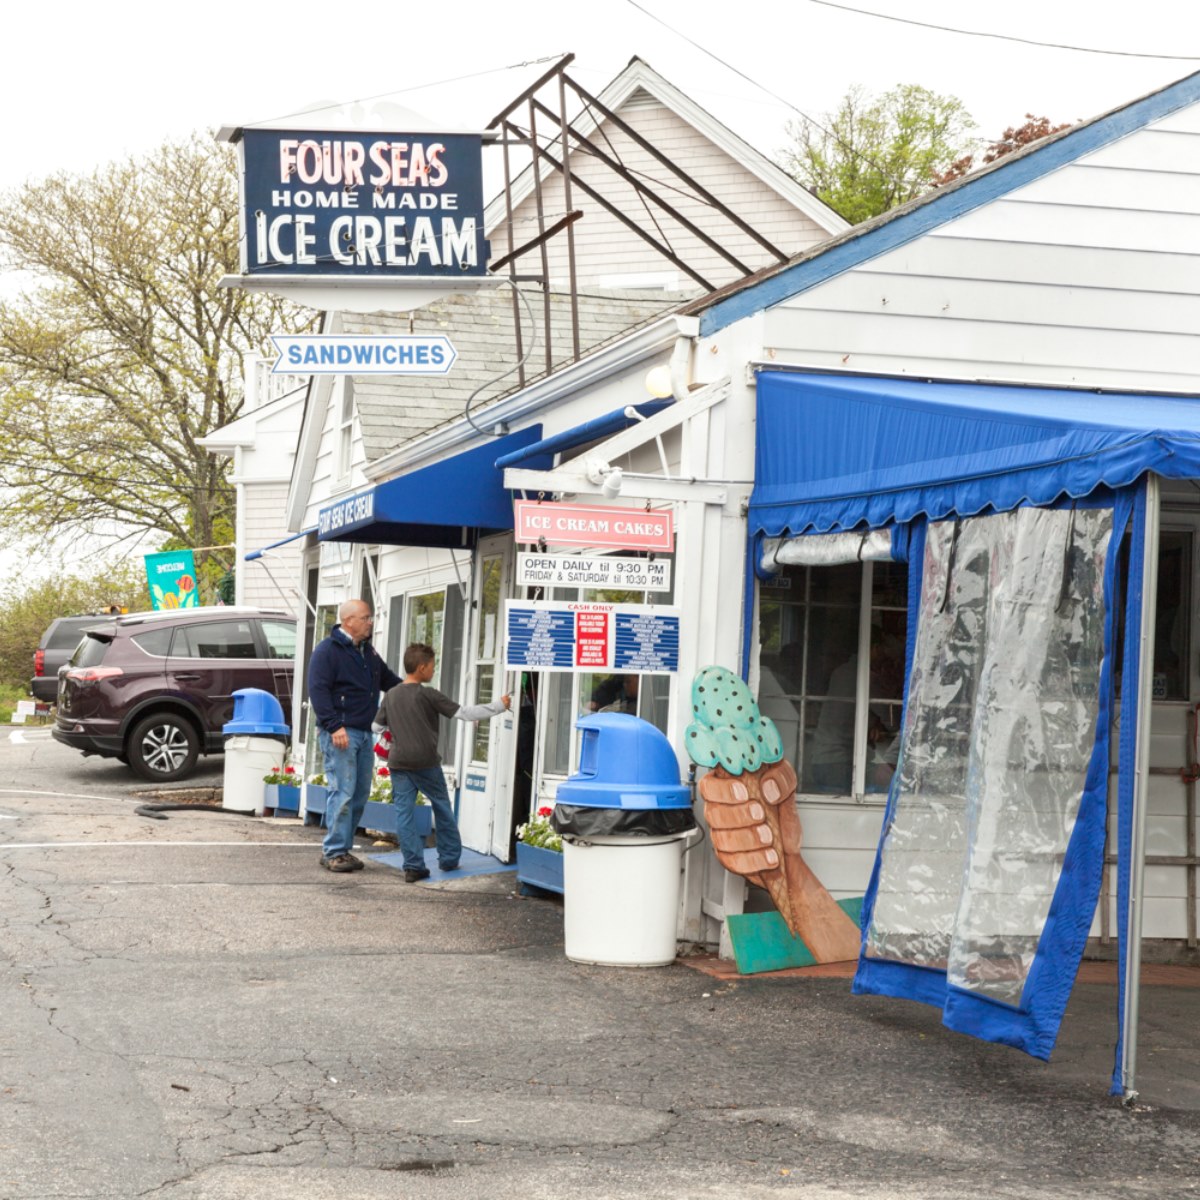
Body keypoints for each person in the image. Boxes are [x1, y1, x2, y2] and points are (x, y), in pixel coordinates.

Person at [376, 642, 511, 882]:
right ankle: (448, 859)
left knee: (404, 813)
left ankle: (413, 866)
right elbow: (465, 713)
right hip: (426, 762)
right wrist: (499, 706)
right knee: (442, 807)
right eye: (432, 666)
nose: (433, 670)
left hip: (398, 763)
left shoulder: (392, 694)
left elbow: (376, 726)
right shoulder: (428, 694)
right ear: (421, 668)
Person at [308, 599, 401, 873]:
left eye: (370, 618)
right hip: (340, 732)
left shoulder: (367, 652)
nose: (370, 622)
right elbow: (318, 691)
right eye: (366, 618)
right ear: (348, 621)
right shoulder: (327, 651)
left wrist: (412, 689)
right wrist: (334, 725)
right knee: (343, 791)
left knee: (359, 793)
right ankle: (334, 852)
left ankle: (343, 850)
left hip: (363, 732)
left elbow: (388, 680)